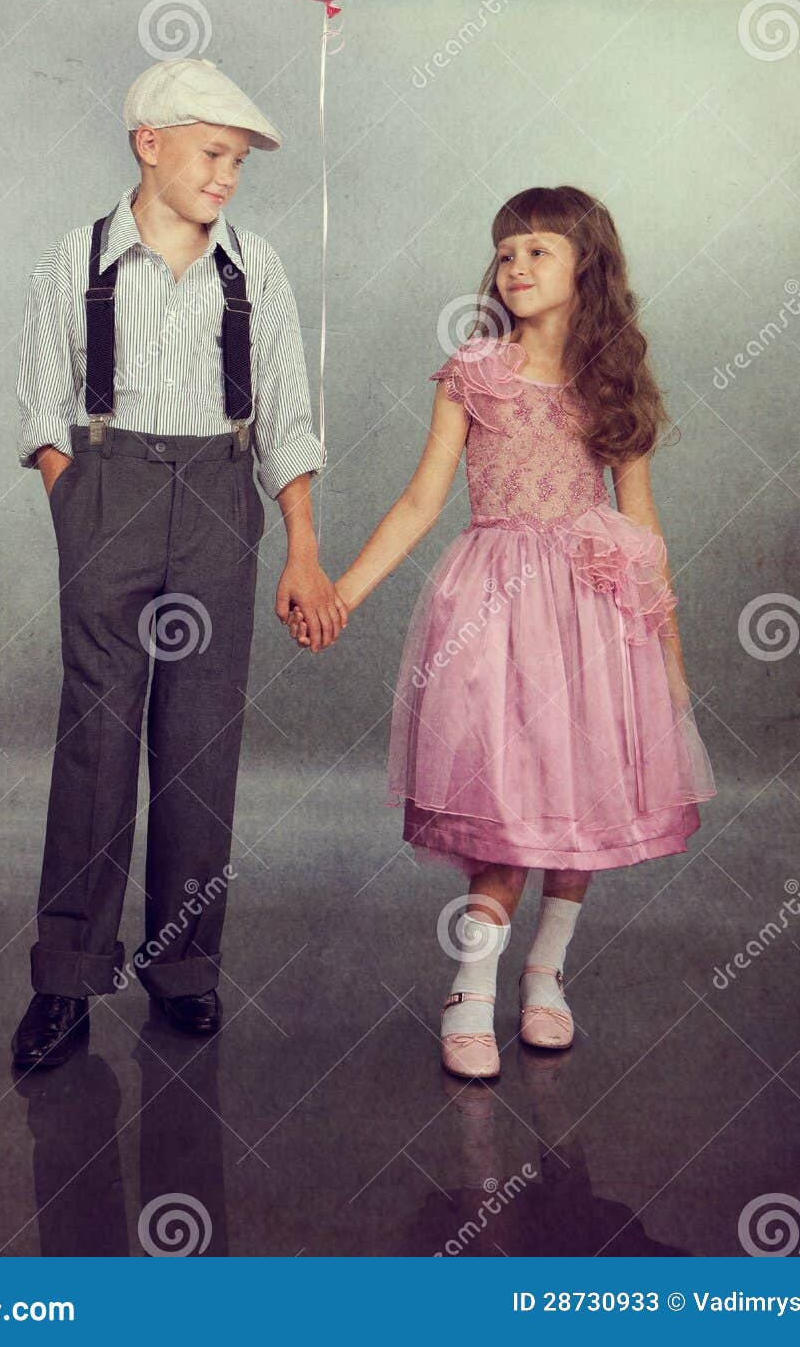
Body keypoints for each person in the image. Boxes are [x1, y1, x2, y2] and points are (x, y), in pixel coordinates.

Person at [288, 185, 716, 1077]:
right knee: (505, 807)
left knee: (582, 795)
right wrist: (342, 592)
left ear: (585, 266)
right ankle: (470, 990)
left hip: (593, 617)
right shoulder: (475, 374)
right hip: (491, 614)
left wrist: (666, 656)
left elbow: (641, 530)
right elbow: (419, 503)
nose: (515, 267)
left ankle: (547, 974)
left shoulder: (613, 386)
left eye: (538, 251)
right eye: (506, 252)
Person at [12, 56, 347, 1070]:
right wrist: (78, 503)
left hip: (218, 498)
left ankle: (185, 971)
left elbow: (286, 416)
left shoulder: (255, 268)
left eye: (237, 161)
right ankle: (66, 981)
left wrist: (301, 545)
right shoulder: (77, 259)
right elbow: (41, 406)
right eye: (212, 154)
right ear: (147, 145)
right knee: (96, 742)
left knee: (199, 748)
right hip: (108, 493)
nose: (226, 177)